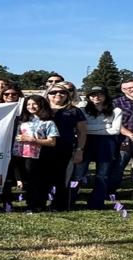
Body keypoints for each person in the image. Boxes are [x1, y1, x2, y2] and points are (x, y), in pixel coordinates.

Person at [45, 83, 87, 211]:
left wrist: (79, 150)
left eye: (62, 92)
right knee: (42, 178)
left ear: (67, 95)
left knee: (63, 178)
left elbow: (82, 132)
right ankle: (39, 203)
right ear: (48, 95)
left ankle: (60, 205)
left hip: (65, 148)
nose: (58, 95)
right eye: (53, 92)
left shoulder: (74, 110)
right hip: (42, 148)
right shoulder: (41, 109)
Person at [14, 95, 58, 212]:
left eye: (34, 104)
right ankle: (30, 204)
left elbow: (52, 142)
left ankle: (38, 205)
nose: (31, 107)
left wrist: (33, 140)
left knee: (39, 181)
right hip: (23, 154)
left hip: (42, 156)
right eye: (28, 104)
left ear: (41, 105)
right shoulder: (22, 120)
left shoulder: (48, 122)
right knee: (27, 181)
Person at [79, 86, 122, 207]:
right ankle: (70, 199)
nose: (96, 97)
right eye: (93, 95)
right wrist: (105, 127)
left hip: (106, 143)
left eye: (99, 94)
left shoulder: (116, 110)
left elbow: (115, 130)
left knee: (102, 174)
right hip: (86, 141)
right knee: (79, 172)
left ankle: (97, 201)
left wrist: (89, 129)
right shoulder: (82, 109)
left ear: (105, 96)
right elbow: (81, 129)